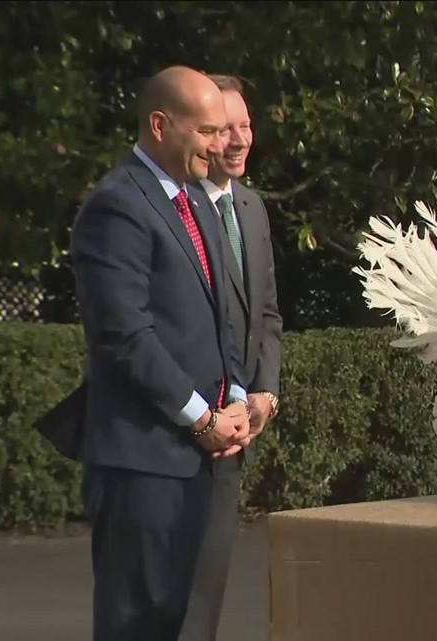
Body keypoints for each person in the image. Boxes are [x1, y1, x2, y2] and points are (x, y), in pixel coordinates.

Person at [69, 65, 252, 641]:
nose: (221, 144)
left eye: (223, 131)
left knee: (187, 624)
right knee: (140, 625)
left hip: (202, 462)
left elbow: (223, 317)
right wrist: (201, 417)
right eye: (206, 132)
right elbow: (125, 336)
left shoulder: (194, 201)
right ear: (159, 125)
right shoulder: (117, 205)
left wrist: (239, 397)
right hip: (143, 465)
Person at [179, 73, 283, 641]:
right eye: (225, 129)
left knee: (209, 587)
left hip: (236, 430)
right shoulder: (176, 209)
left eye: (246, 126)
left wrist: (263, 392)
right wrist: (208, 415)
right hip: (183, 428)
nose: (239, 140)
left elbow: (266, 313)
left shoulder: (253, 208)